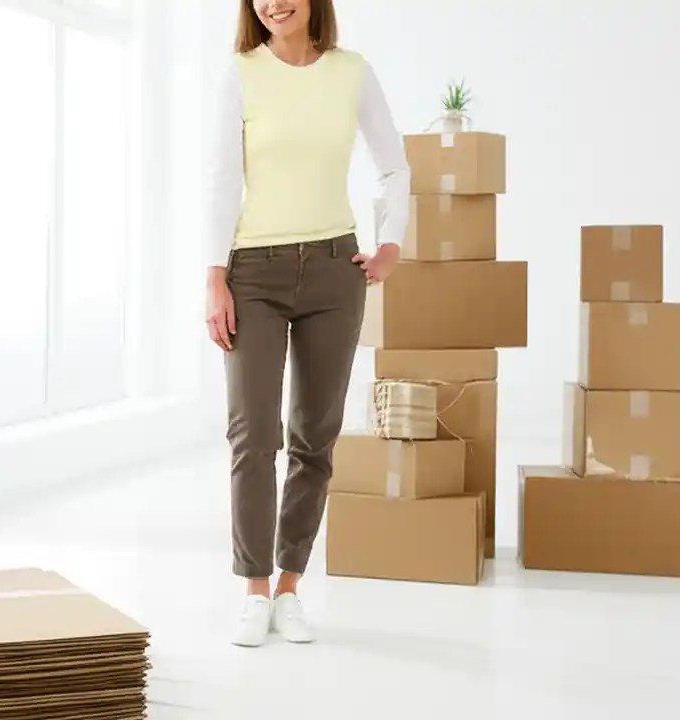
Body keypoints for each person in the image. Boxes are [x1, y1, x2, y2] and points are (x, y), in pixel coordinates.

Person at [204, 0, 411, 647]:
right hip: (254, 274)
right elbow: (220, 180)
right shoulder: (241, 72)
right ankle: (254, 589)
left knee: (314, 437)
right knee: (253, 435)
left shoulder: (351, 72)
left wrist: (390, 242)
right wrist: (215, 276)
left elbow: (394, 164)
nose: (274, 3)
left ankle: (290, 588)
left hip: (333, 271)